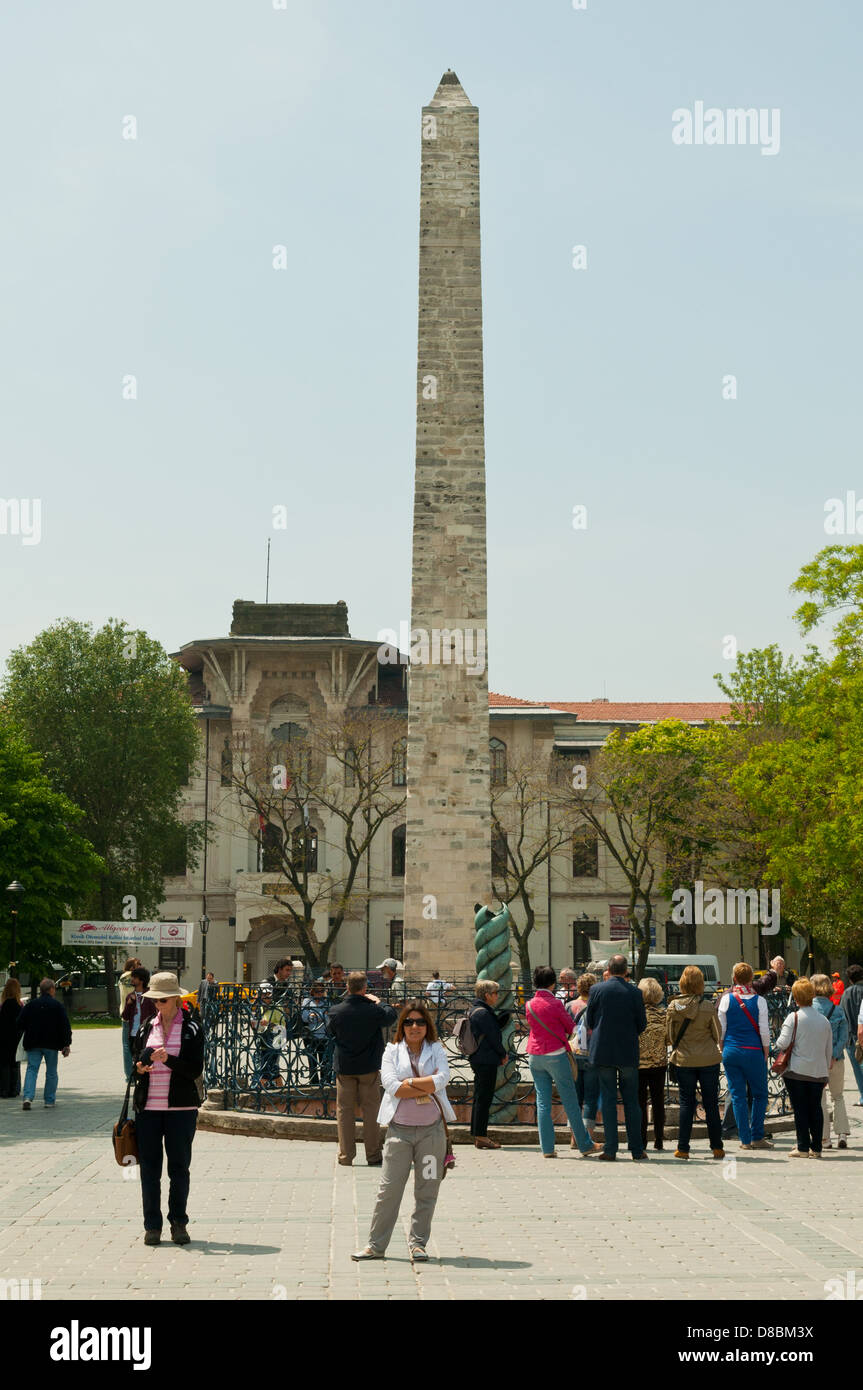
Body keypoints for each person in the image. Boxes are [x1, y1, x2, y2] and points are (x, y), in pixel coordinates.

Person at [353, 1000, 454, 1262]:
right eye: (409, 1022)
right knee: (389, 1190)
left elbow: (443, 1078)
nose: (415, 1026)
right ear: (402, 1026)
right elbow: (391, 1085)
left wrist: (409, 1083)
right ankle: (375, 1245)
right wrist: (424, 1084)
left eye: (420, 1021)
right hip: (399, 1133)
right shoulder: (391, 1051)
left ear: (427, 1025)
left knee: (427, 1189)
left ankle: (418, 1243)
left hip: (432, 1136)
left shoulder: (436, 1049)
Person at [132, 972, 205, 1245]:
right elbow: (136, 1062)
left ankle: (178, 1223)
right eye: (154, 1000)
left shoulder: (191, 1028)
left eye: (162, 1000)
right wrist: (140, 1068)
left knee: (179, 1168)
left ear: (176, 999)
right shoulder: (145, 1027)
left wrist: (170, 1059)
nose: (157, 1005)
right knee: (149, 1169)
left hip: (181, 1109)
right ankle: (152, 1226)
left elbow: (195, 1069)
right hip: (148, 1109)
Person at [526, 965, 599, 1158]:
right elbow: (571, 1027)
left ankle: (547, 1148)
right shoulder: (556, 1004)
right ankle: (584, 1144)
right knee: (570, 1101)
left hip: (535, 1055)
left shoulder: (529, 1004)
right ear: (552, 983)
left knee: (542, 1103)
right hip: (556, 1055)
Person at [326, 971, 397, 1167]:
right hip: (368, 1067)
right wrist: (379, 1002)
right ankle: (373, 1155)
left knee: (344, 1112)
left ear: (347, 987)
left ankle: (346, 1156)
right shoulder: (372, 1010)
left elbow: (329, 1032)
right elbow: (391, 1016)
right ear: (365, 988)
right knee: (371, 1112)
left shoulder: (336, 1011)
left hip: (345, 1067)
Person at [585, 953, 648, 1160]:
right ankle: (637, 1150)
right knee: (632, 1101)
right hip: (628, 1051)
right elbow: (642, 1024)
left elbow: (591, 1021)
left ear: (608, 970)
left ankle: (611, 1149)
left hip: (603, 1051)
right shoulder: (635, 992)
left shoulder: (596, 989)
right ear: (626, 971)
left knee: (609, 1100)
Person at [667, 966, 724, 1159]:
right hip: (708, 1059)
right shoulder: (707, 1006)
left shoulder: (673, 1007)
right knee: (711, 1103)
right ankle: (717, 1147)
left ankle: (683, 1148)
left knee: (686, 1103)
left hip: (684, 1060)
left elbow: (670, 1037)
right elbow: (717, 1034)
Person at [775, 977, 832, 1158]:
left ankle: (802, 1146)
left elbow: (781, 1043)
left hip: (797, 1072)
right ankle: (817, 1147)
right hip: (818, 1072)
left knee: (800, 1109)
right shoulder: (824, 1020)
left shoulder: (794, 1017)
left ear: (796, 998)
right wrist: (825, 1073)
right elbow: (828, 1050)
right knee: (815, 1108)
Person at [717, 963, 771, 1151]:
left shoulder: (726, 999)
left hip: (731, 1050)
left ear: (734, 978)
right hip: (753, 1050)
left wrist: (723, 1048)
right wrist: (765, 1050)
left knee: (738, 1095)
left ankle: (744, 1139)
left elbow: (721, 1030)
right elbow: (764, 1030)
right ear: (751, 979)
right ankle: (757, 1135)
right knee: (760, 1094)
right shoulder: (759, 1001)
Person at [16, 979, 72, 1110]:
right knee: (51, 1072)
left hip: (33, 1042)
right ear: (51, 989)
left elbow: (19, 1023)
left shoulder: (31, 1005)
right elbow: (65, 1026)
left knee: (32, 1069)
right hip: (51, 1044)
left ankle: (28, 1097)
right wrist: (66, 1044)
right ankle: (49, 1100)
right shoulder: (57, 1006)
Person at [468, 978, 508, 1149]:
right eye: (495, 993)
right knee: (484, 1098)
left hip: (479, 1058)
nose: (497, 996)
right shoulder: (483, 1012)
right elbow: (492, 1037)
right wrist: (502, 1053)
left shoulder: (476, 1010)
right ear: (487, 995)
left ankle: (478, 1134)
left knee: (480, 1097)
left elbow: (488, 1030)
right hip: (485, 1059)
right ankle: (481, 1136)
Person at [811, 973, 849, 1149]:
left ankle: (824, 1138)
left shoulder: (809, 1010)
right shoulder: (838, 1010)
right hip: (837, 1060)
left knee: (820, 1099)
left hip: (817, 1060)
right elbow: (844, 1037)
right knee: (838, 1096)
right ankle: (842, 1133)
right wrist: (833, 1055)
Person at [567, 973, 600, 1143]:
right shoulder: (599, 1006)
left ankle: (574, 1137)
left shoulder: (570, 1005)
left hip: (573, 1055)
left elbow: (565, 1031)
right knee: (590, 1098)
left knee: (575, 1098)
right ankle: (588, 1137)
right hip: (593, 1055)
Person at [637, 977, 667, 1151]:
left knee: (640, 1102)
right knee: (658, 1101)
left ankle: (642, 1139)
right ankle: (659, 1138)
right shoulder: (664, 1013)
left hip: (639, 1064)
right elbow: (669, 1039)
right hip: (659, 1063)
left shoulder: (636, 1013)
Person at [121, 967, 157, 1081]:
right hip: (133, 1033)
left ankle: (145, 1079)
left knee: (145, 1057)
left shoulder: (150, 995)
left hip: (146, 1032)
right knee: (135, 1058)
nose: (132, 979)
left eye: (134, 977)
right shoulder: (130, 996)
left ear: (141, 980)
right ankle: (135, 1078)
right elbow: (125, 1016)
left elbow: (155, 1013)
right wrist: (129, 1004)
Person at [300, 979, 331, 1086]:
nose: (319, 993)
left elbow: (328, 1017)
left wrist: (314, 1016)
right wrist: (319, 1017)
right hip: (310, 1036)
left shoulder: (326, 1002)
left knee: (324, 1061)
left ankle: (324, 1082)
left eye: (322, 991)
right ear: (312, 991)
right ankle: (314, 1083)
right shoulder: (306, 1001)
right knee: (312, 1062)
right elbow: (305, 1017)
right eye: (317, 991)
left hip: (324, 1035)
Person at [841, 964, 863, 1105]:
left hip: (851, 1038)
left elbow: (843, 1016)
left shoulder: (847, 993)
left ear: (849, 979)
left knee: (857, 1069)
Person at [0, 977, 23, 1098]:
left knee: (5, 1064)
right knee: (15, 1063)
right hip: (16, 1038)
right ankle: (14, 1089)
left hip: (4, 1038)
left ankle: (4, 1089)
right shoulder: (18, 1005)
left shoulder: (4, 1005)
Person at [118, 958, 141, 1077]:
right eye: (138, 964)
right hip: (137, 1015)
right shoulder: (136, 978)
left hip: (125, 1015)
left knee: (126, 1046)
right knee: (140, 1044)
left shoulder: (121, 978)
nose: (141, 966)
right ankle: (139, 1071)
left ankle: (129, 1075)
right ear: (132, 967)